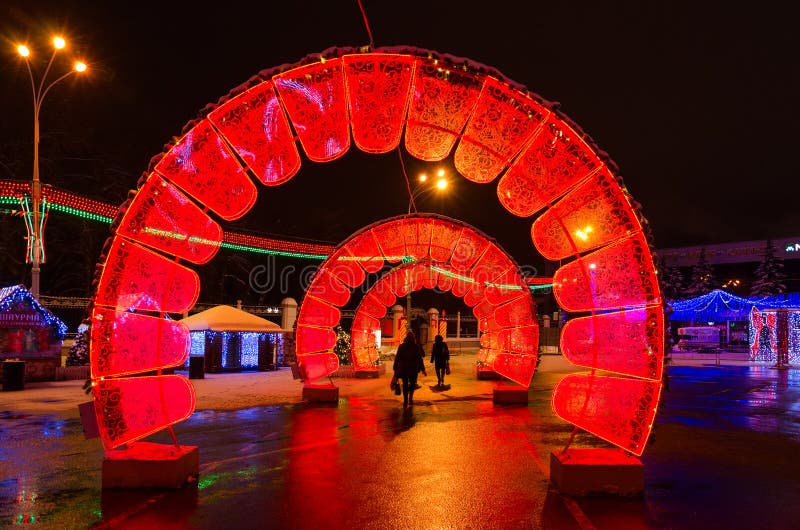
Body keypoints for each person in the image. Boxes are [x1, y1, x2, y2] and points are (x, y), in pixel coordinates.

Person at [393, 331, 426, 407]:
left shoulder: (401, 346)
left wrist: (395, 367)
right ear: (413, 338)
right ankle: (410, 398)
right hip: (413, 369)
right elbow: (419, 359)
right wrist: (423, 369)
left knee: (405, 384)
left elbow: (397, 357)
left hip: (404, 368)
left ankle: (405, 400)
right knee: (412, 384)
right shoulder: (416, 346)